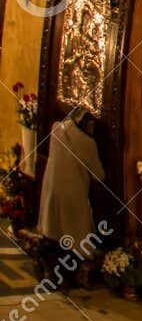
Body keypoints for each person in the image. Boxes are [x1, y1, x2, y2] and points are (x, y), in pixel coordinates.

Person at [38, 108, 104, 254]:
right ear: (83, 124)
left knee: (53, 223)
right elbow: (99, 175)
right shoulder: (87, 143)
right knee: (74, 227)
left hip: (52, 189)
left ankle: (49, 248)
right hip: (73, 195)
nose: (92, 130)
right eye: (90, 126)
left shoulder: (56, 129)